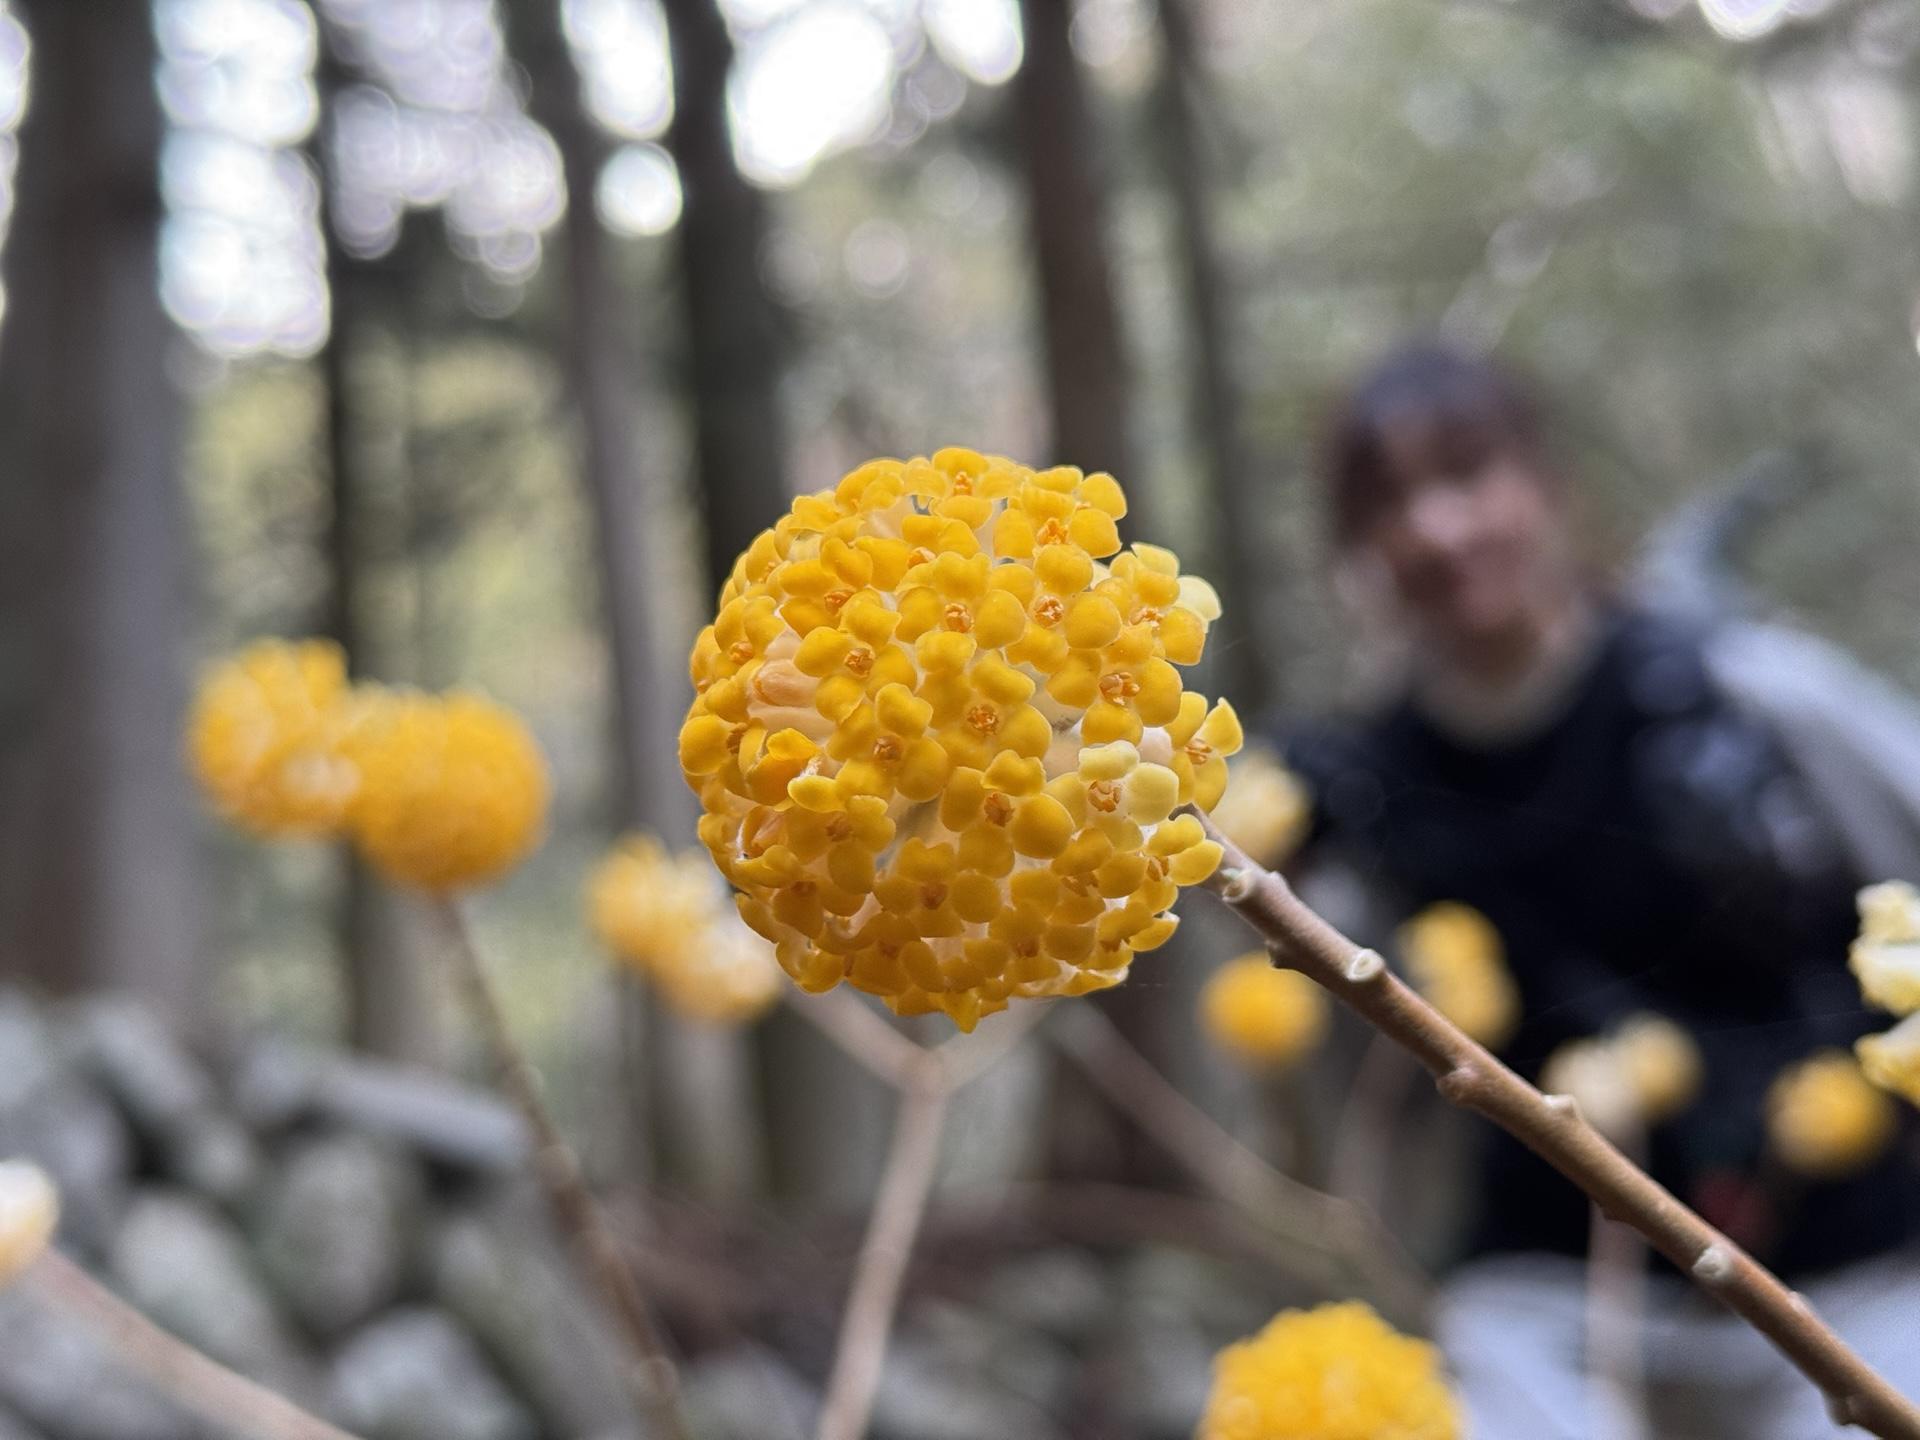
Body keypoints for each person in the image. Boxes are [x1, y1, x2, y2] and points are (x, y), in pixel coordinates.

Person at [1279, 342, 1920, 1439]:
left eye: (1468, 475)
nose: (1438, 529)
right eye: (1392, 501)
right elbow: (1344, 1085)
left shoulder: (1747, 692)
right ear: (1359, 548)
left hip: (1866, 1276)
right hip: (1545, 1304)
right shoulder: (1353, 801)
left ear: (1543, 484)